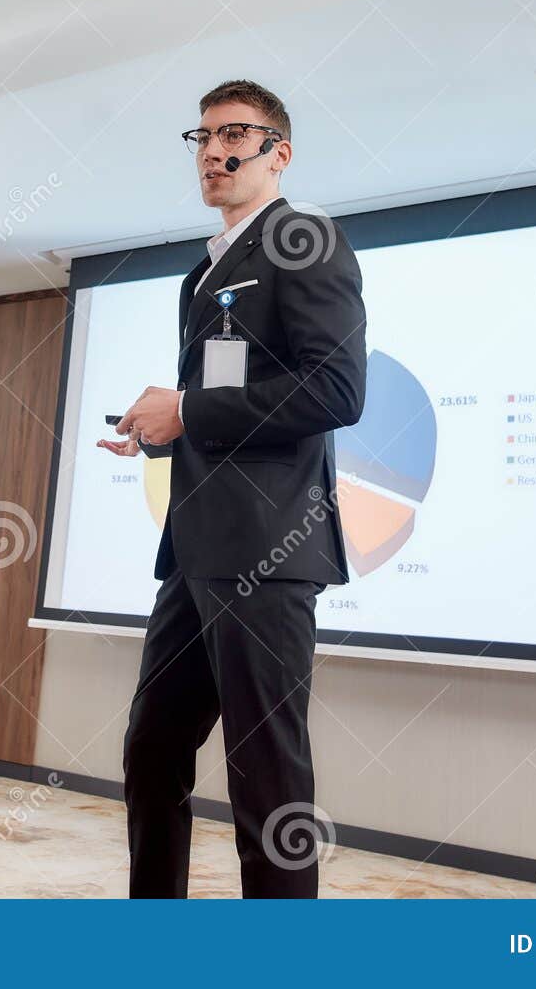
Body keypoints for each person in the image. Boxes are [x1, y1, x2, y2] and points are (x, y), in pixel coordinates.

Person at [102, 79, 367, 897]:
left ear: (277, 152)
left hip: (266, 549)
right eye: (203, 137)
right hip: (194, 551)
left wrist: (185, 409)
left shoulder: (304, 238)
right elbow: (229, 409)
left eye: (236, 135)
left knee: (265, 778)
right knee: (152, 749)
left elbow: (336, 391)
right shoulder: (202, 273)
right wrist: (161, 432)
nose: (214, 152)